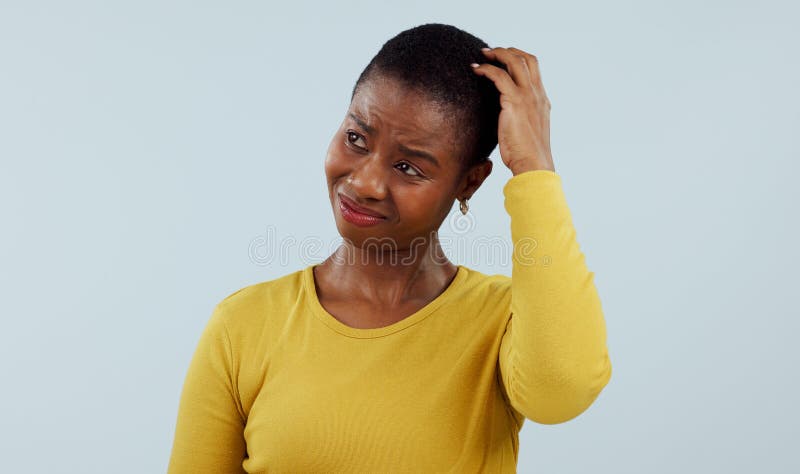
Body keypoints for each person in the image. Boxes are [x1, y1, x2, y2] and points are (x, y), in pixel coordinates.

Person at [168, 23, 612, 473]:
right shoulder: (242, 326)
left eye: (408, 167)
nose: (365, 183)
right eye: (356, 139)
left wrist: (533, 167)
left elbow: (563, 388)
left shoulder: (502, 324)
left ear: (470, 182)